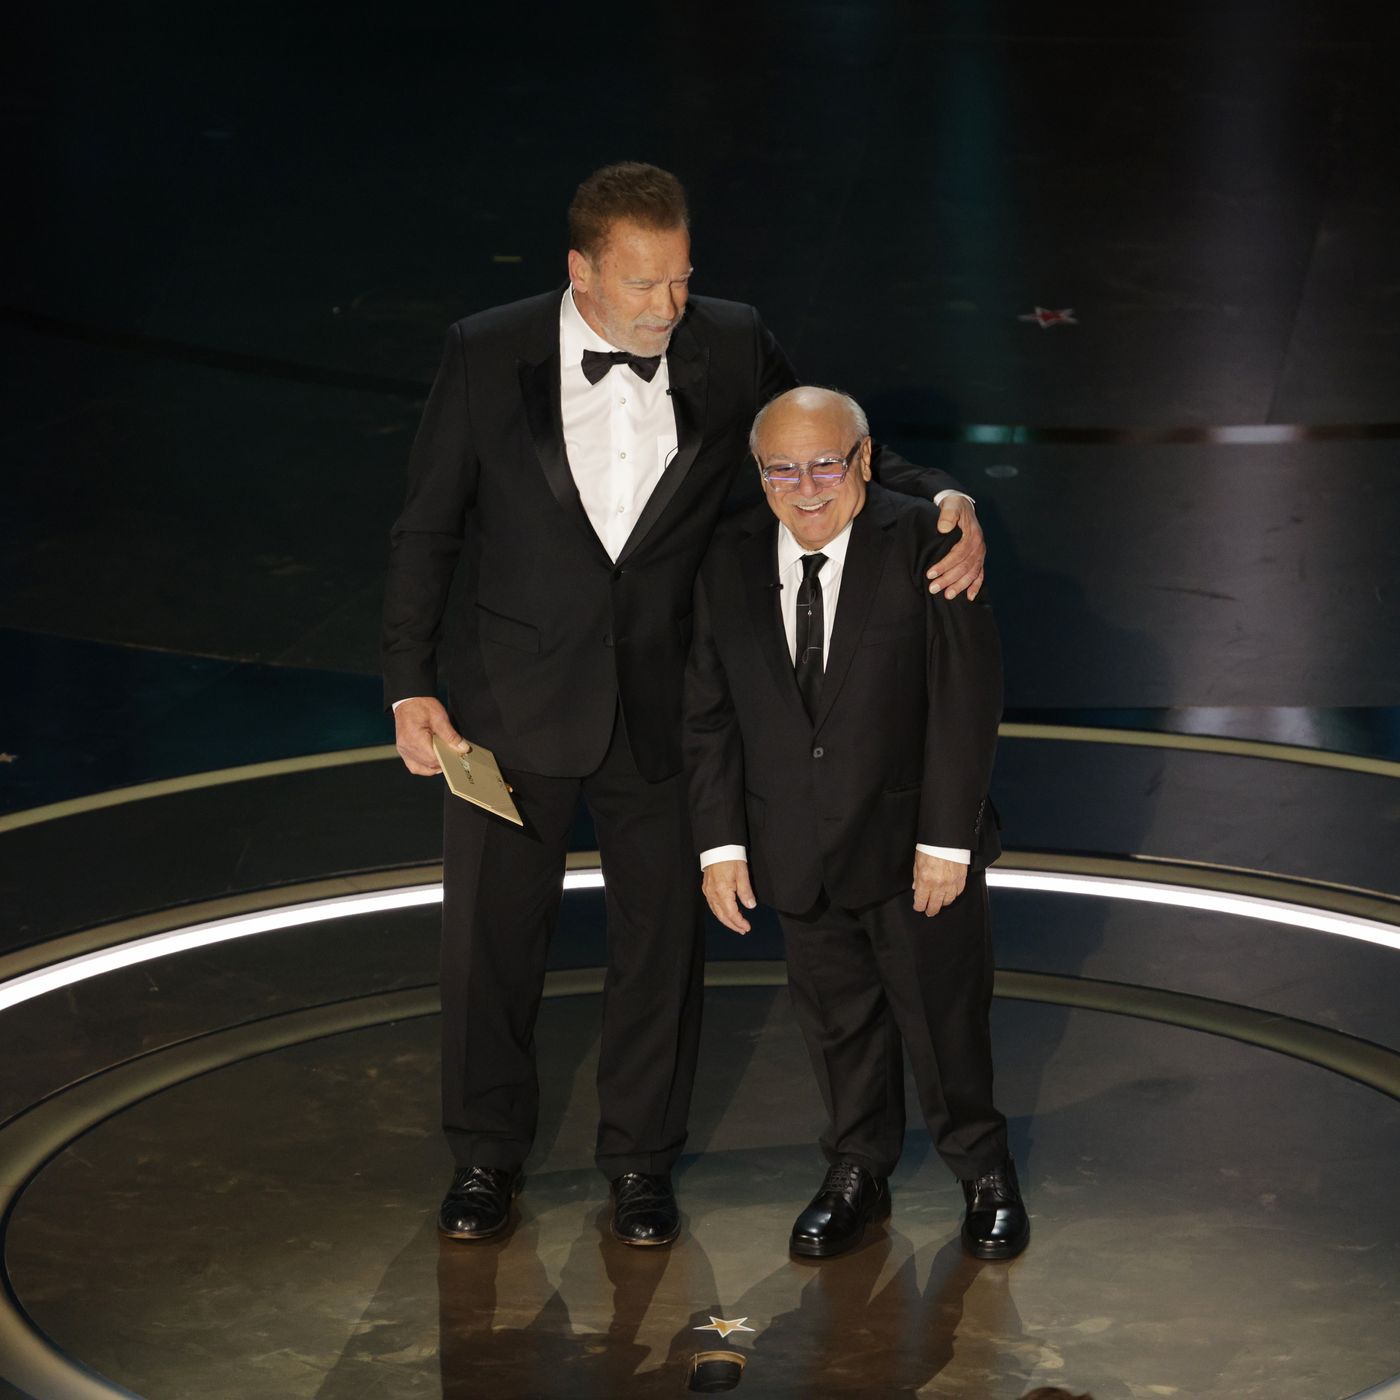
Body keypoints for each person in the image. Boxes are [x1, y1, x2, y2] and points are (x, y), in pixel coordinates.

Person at [381, 163, 986, 1247]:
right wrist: (409, 681)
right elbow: (427, 524)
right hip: (508, 705)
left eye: (681, 279)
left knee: (659, 945)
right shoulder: (486, 350)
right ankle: (484, 1156)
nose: (668, 306)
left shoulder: (731, 341)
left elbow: (826, 443)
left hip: (666, 701)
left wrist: (941, 495)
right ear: (580, 270)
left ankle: (639, 1161)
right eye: (643, 283)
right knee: (489, 942)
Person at [684, 386, 1028, 1261]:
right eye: (782, 470)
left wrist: (947, 840)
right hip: (795, 847)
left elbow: (965, 699)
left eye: (825, 465)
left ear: (864, 461)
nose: (804, 489)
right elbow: (709, 711)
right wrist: (721, 843)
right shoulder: (725, 556)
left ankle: (983, 1170)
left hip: (916, 849)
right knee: (836, 1024)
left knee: (944, 1020)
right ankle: (857, 1169)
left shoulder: (925, 542)